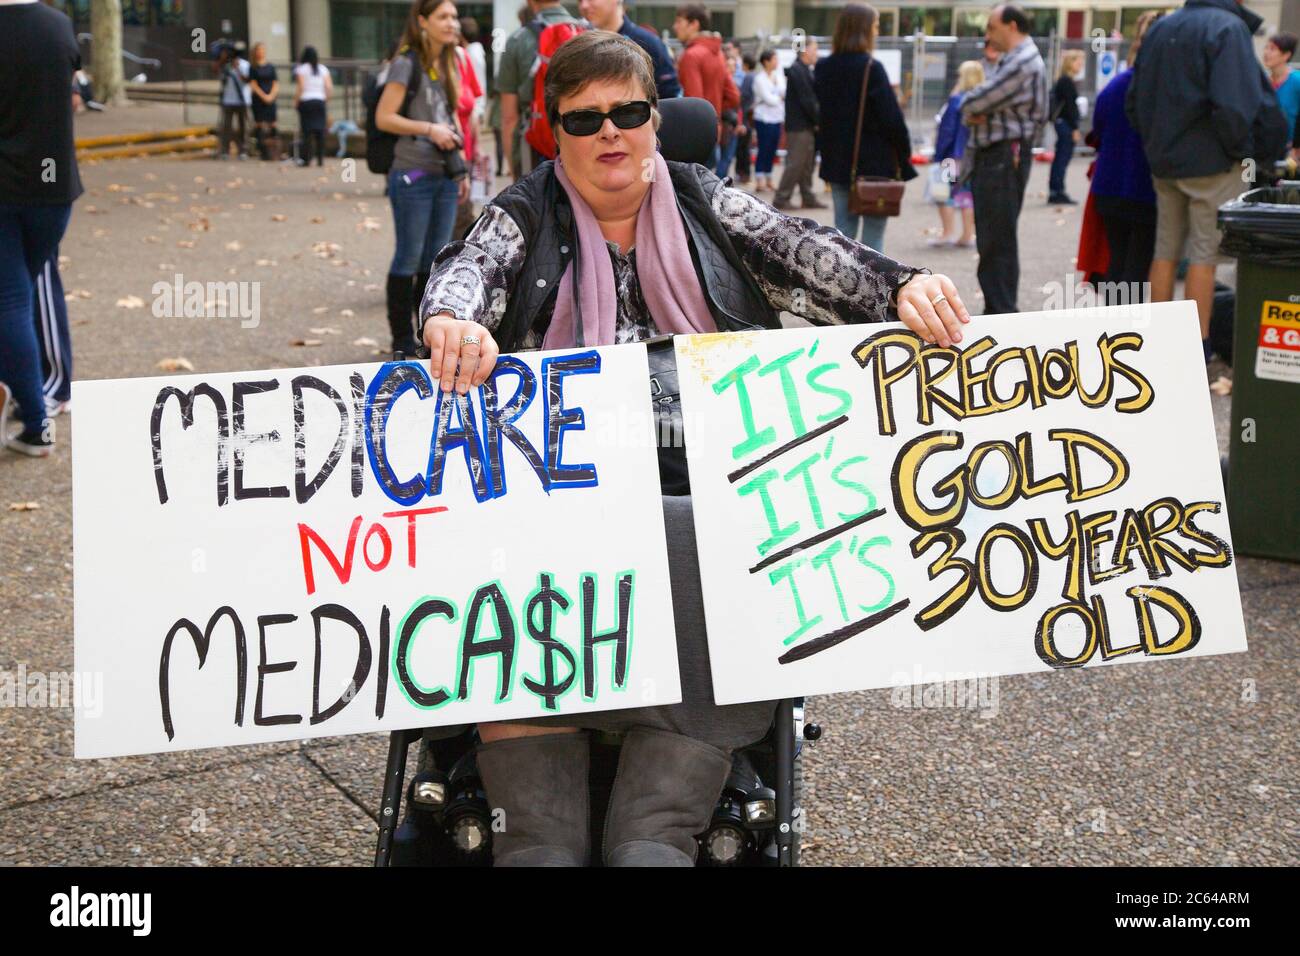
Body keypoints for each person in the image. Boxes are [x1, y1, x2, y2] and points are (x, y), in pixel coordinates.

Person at [414, 30, 971, 866]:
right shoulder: (524, 212)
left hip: (712, 512)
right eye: (584, 119)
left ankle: (659, 828)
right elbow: (467, 269)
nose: (609, 134)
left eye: (629, 112)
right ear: (553, 132)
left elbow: (805, 253)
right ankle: (535, 833)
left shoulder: (704, 198)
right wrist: (452, 321)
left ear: (655, 121)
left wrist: (904, 288)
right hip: (562, 520)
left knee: (706, 553)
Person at [1127, 0, 1282, 355]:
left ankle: (1157, 345)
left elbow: (1134, 101)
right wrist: (1239, 150)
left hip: (1165, 161)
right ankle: (1194, 348)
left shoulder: (1162, 28)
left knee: (1164, 251)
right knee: (1204, 256)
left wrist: (1155, 141)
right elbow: (1235, 103)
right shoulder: (1227, 27)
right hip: (1212, 162)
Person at [0, 0, 81, 457]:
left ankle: (36, 419)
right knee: (26, 289)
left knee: (10, 299)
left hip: (4, 193)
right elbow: (67, 90)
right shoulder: (58, 25)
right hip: (53, 190)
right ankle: (33, 391)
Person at [375, 0, 471, 358]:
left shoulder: (449, 63)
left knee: (436, 260)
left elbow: (453, 118)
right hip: (413, 173)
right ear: (422, 22)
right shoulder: (406, 62)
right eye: (443, 16)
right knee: (409, 257)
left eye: (454, 16)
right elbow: (384, 117)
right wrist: (429, 130)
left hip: (444, 175)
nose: (452, 23)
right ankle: (401, 340)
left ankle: (424, 336)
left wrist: (460, 168)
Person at [961, 4, 1048, 314]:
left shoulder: (1021, 61)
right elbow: (979, 102)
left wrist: (973, 107)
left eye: (992, 28)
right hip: (1000, 156)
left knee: (996, 240)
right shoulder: (1016, 59)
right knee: (994, 238)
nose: (988, 34)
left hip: (1002, 156)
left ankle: (1001, 313)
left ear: (1011, 26)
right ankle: (998, 310)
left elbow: (974, 99)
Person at [815, 3, 916, 252]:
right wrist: (904, 155)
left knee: (843, 235)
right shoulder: (872, 68)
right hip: (874, 165)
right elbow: (892, 119)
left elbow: (822, 115)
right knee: (873, 239)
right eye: (875, 25)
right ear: (864, 30)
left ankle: (841, 287)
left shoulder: (823, 68)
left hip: (838, 163)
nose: (877, 31)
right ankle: (872, 290)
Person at [1085, 11, 1161, 304]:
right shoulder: (1159, 88)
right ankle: (1130, 328)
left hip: (1110, 185)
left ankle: (1115, 322)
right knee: (1139, 262)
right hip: (1143, 187)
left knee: (1118, 259)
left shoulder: (1115, 86)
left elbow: (1098, 129)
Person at [498, 0, 581, 180]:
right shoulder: (588, 34)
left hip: (532, 150)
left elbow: (509, 118)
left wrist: (514, 171)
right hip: (581, 145)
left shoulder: (517, 40)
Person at [672, 4, 740, 168]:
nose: (675, 27)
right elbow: (734, 97)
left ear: (694, 24)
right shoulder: (718, 53)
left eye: (679, 21)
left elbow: (694, 103)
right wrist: (714, 108)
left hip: (693, 137)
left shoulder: (691, 55)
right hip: (712, 133)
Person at [929, 59, 983, 247]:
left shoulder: (956, 100)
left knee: (944, 194)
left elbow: (947, 130)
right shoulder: (980, 100)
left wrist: (939, 154)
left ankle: (948, 233)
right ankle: (968, 234)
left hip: (950, 156)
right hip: (970, 156)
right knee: (966, 195)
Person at [579, 0, 681, 100]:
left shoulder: (648, 43)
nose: (584, 5)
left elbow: (669, 95)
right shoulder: (580, 45)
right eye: (579, 1)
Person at [773, 37, 825, 209]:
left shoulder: (804, 69)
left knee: (807, 163)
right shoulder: (798, 70)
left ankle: (807, 195)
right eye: (815, 49)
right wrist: (818, 120)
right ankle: (782, 197)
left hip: (805, 124)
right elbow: (807, 100)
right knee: (796, 163)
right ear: (805, 51)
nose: (817, 53)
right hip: (799, 125)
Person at [1048, 48, 1084, 204]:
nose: (1081, 65)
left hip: (1062, 122)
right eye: (1079, 62)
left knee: (1061, 156)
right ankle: (1057, 190)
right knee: (1062, 157)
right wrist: (1075, 127)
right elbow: (1070, 107)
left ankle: (1056, 189)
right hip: (1065, 123)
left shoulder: (1063, 80)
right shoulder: (1066, 82)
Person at [750, 49, 785, 192]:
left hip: (777, 117)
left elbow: (784, 91)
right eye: (774, 59)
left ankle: (769, 178)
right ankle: (759, 179)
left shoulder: (778, 75)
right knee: (763, 148)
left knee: (772, 149)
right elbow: (768, 99)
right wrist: (778, 97)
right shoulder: (759, 78)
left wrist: (777, 96)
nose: (776, 62)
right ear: (766, 61)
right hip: (763, 118)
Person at [294, 46, 332, 166]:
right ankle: (320, 159)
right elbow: (329, 87)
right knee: (320, 132)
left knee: (307, 132)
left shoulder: (302, 69)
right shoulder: (323, 69)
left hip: (306, 100)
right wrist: (326, 99)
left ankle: (307, 159)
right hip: (319, 100)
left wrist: (296, 101)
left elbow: (300, 87)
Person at [1263, 32, 1299, 148]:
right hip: (1266, 149)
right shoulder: (1262, 81)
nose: (1266, 53)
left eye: (1272, 49)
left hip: (1292, 152)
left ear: (1286, 55)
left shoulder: (1296, 80)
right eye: (1266, 48)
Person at [247, 42, 279, 161]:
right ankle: (263, 152)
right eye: (259, 50)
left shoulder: (270, 66)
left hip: (271, 98)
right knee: (260, 123)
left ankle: (274, 150)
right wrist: (263, 96)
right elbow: (253, 84)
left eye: (262, 50)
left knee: (273, 123)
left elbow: (275, 83)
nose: (261, 52)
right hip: (258, 99)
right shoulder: (253, 67)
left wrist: (271, 96)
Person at [216, 45, 249, 159]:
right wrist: (221, 60)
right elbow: (216, 71)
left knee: (242, 126)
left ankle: (243, 150)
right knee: (226, 126)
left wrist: (238, 69)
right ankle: (225, 150)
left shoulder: (245, 64)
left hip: (241, 100)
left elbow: (247, 80)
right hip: (228, 100)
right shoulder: (226, 66)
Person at [734, 53, 756, 184]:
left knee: (743, 147)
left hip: (746, 116)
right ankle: (744, 172)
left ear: (746, 65)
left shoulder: (748, 78)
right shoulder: (755, 77)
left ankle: (744, 172)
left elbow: (743, 97)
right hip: (750, 115)